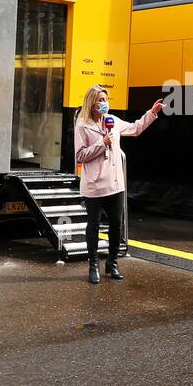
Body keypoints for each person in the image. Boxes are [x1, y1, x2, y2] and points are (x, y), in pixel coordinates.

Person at [73, 85, 163, 285]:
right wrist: (102, 143)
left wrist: (151, 113)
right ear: (92, 103)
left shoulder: (112, 121)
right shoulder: (82, 125)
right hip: (95, 186)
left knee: (116, 225)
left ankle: (112, 263)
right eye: (101, 100)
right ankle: (93, 265)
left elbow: (135, 128)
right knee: (94, 226)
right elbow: (80, 156)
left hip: (115, 185)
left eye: (106, 99)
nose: (105, 103)